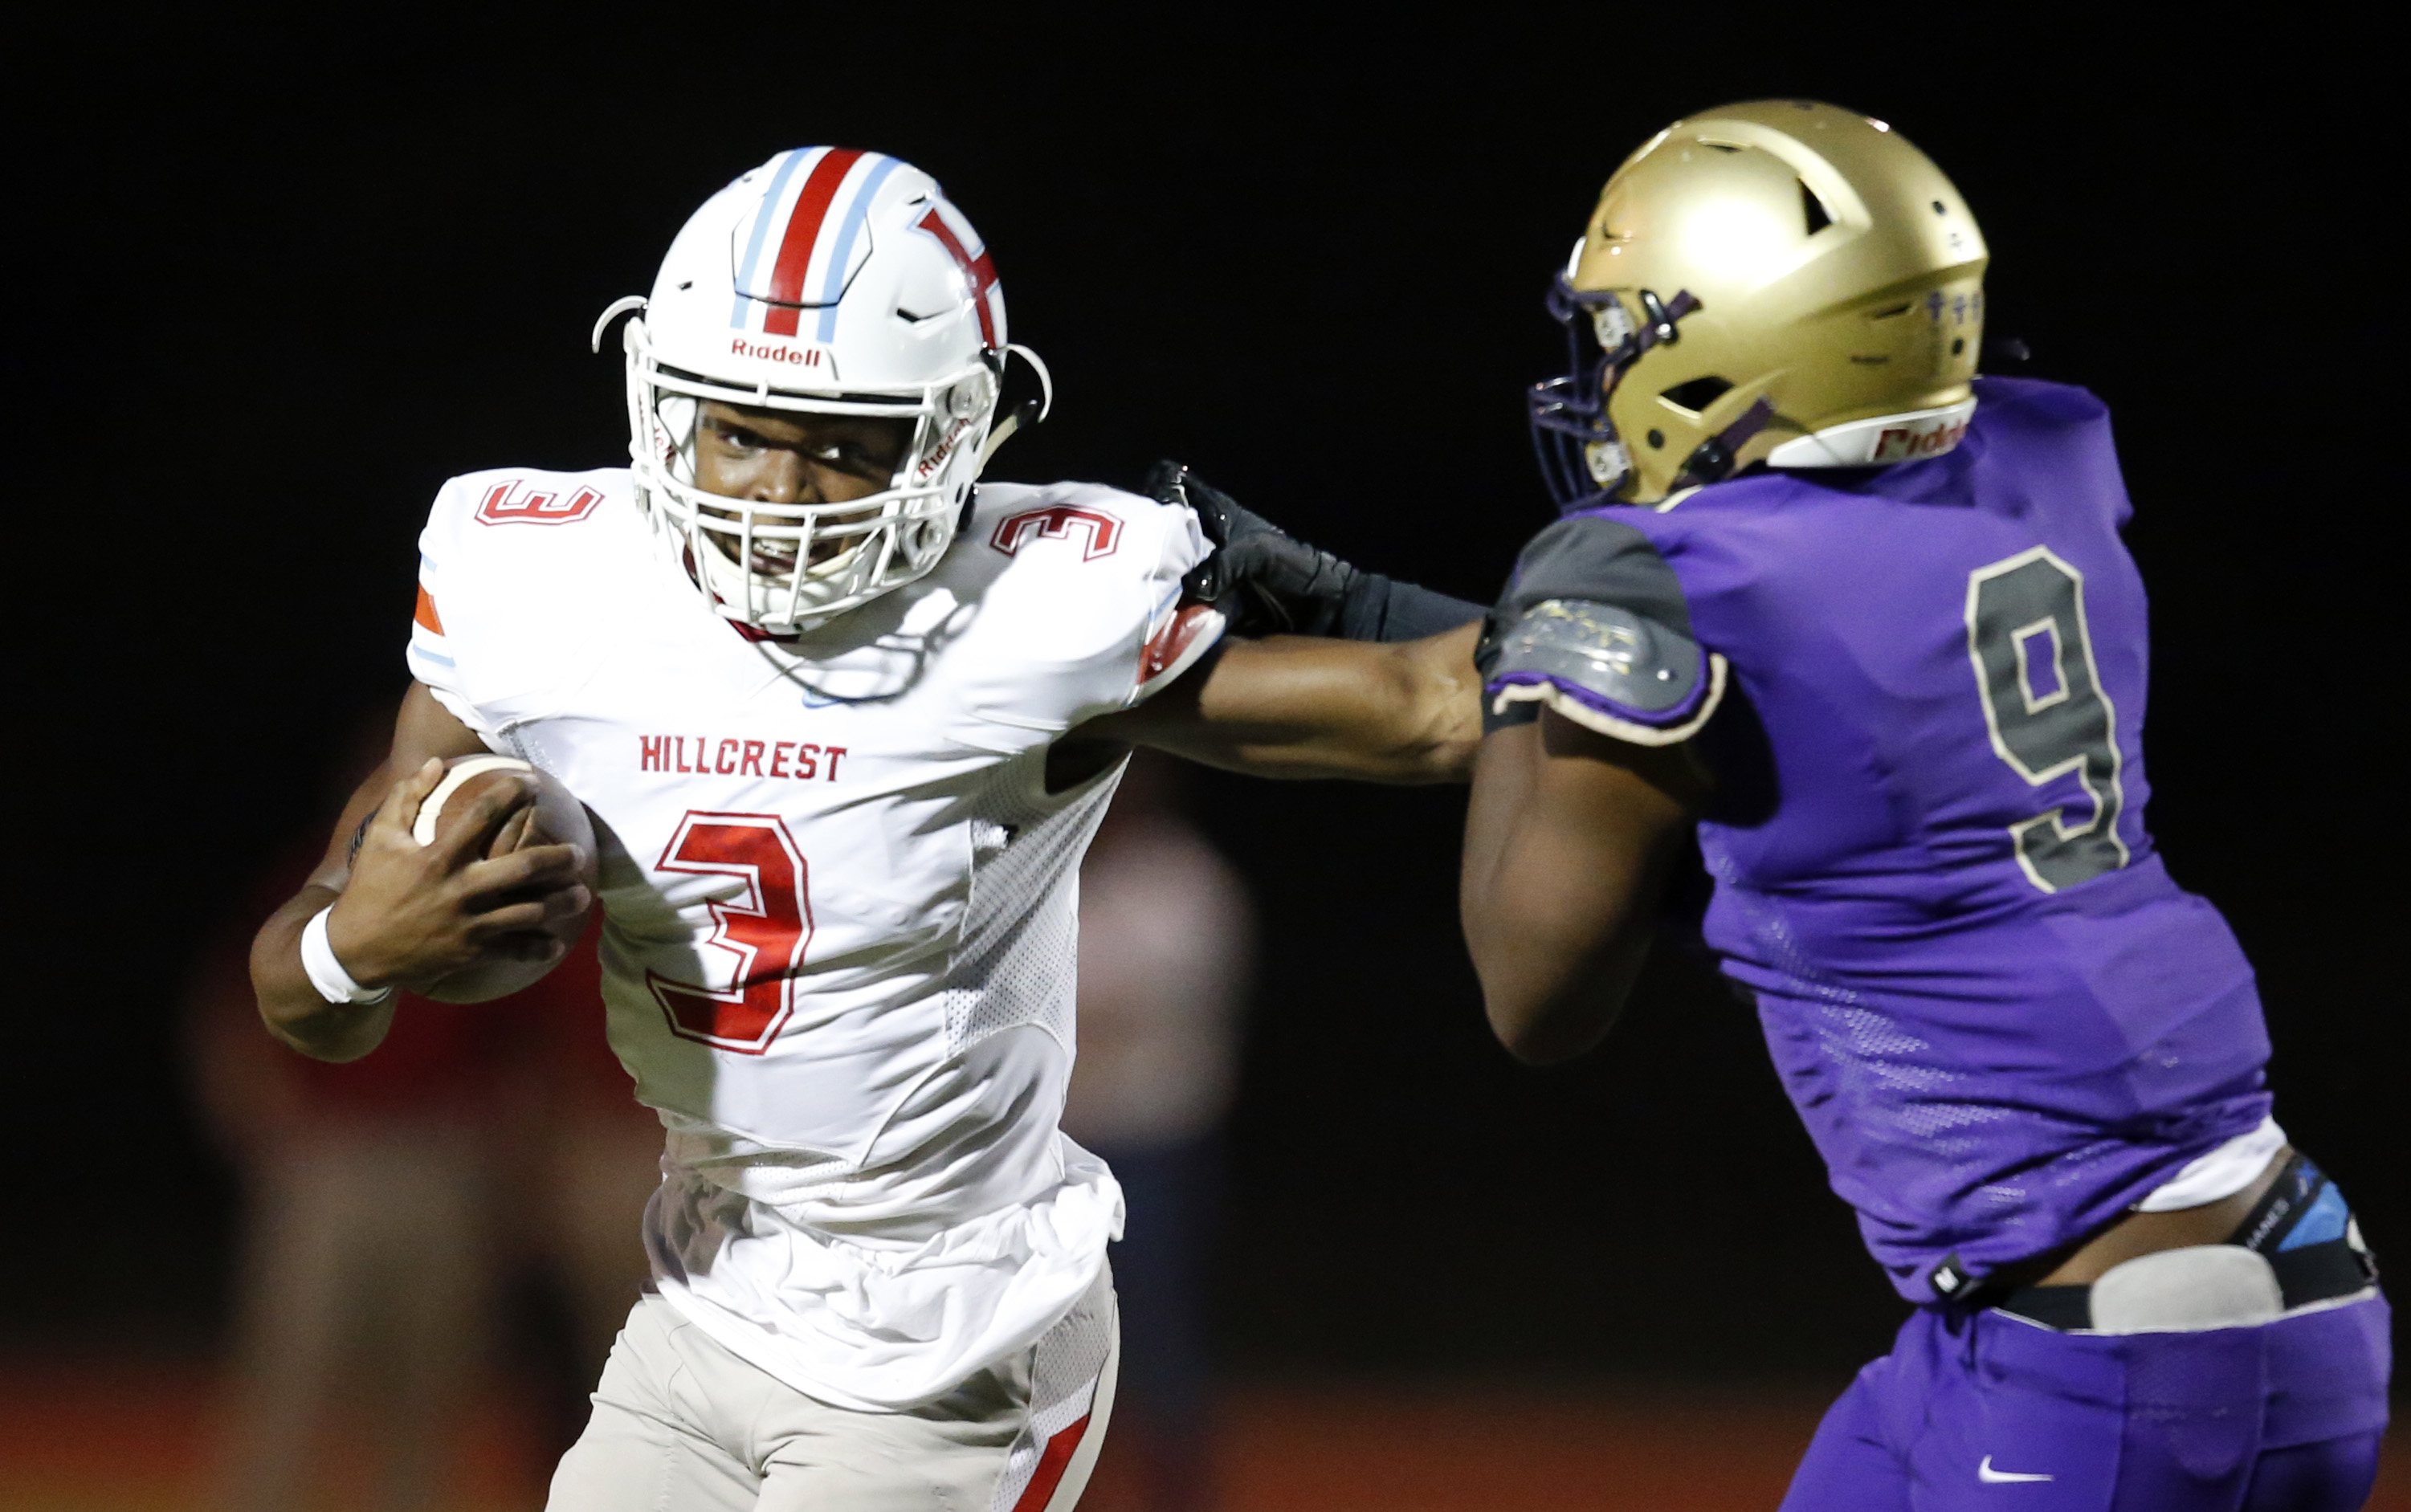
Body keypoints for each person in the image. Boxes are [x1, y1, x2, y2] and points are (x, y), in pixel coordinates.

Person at [246, 147, 1483, 1512]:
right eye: (740, 428)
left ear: (956, 434)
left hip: (947, 1340)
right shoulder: (537, 582)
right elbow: (302, 987)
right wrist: (351, 953)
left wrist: (1631, 603)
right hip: (699, 1300)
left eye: (845, 443)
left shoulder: (1026, 617)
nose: (778, 492)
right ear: (659, 406)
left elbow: (1433, 710)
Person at [1446, 101, 2388, 1508]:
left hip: (2111, 1360)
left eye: (1632, 328)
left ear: (1740, 337)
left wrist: (1551, 638)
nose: (1602, 367)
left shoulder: (1709, 584)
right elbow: (1474, 679)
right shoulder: (2029, 467)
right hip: (2157, 1287)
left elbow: (1531, 994)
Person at [1063, 752, 1254, 1511]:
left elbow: (1145, 1011)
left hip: (1154, 1147)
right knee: (1032, 1347)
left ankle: (1177, 1492)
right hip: (1054, 1153)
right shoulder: (1055, 875)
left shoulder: (1185, 881)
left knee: (1159, 1339)